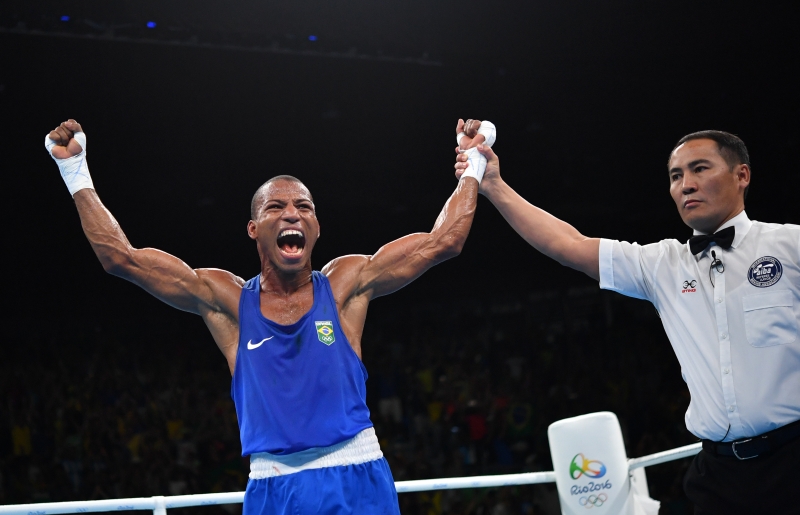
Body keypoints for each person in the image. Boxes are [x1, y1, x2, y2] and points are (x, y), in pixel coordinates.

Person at [44, 118, 482, 514]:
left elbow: (443, 241)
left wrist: (474, 167)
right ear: (254, 229)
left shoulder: (347, 283)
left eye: (304, 207)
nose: (292, 213)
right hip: (274, 487)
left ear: (315, 228)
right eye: (276, 207)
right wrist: (75, 171)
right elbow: (122, 259)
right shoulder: (227, 300)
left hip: (357, 475)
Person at [453, 129, 799, 514]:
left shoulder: (791, 247)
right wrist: (494, 186)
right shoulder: (663, 265)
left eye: (700, 169)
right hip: (717, 477)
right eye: (676, 175)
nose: (687, 185)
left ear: (742, 175)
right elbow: (569, 244)